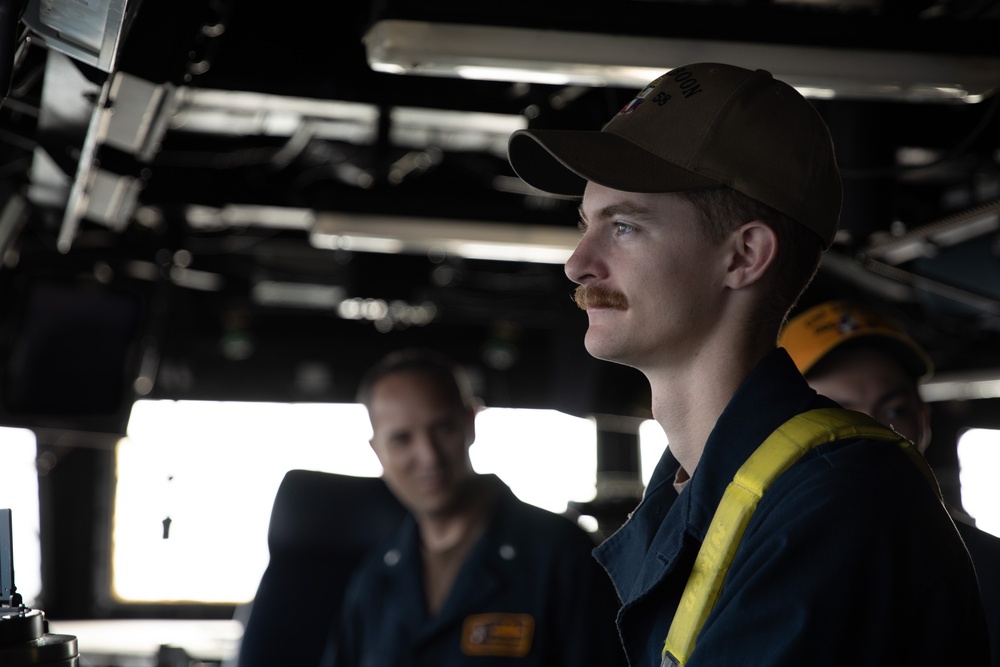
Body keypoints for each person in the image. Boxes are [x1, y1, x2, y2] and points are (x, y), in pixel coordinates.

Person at [507, 62, 990, 665]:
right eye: (585, 226)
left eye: (624, 226)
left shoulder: (836, 503)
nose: (578, 264)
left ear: (744, 256)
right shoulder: (708, 493)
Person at [324, 348, 625, 667]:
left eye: (443, 428)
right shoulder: (373, 579)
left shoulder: (560, 554)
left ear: (470, 423)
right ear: (377, 451)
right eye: (401, 439)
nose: (429, 456)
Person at [780, 298, 1000, 666]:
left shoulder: (989, 568)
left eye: (894, 410)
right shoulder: (755, 570)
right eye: (837, 414)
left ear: (924, 417)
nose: (875, 433)